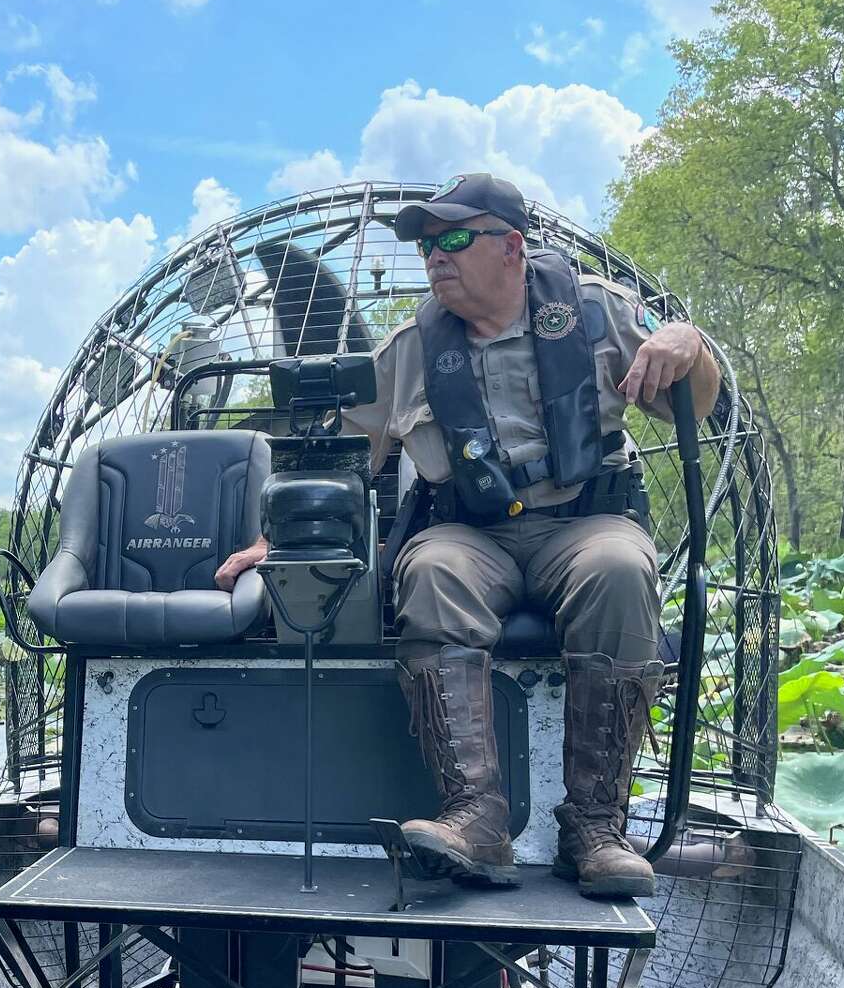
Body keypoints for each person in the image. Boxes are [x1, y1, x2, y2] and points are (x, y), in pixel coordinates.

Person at [217, 174, 718, 898]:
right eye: (426, 245)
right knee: (432, 572)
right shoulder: (410, 349)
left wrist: (689, 345)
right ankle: (476, 816)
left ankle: (596, 826)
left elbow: (692, 405)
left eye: (454, 238)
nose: (435, 256)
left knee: (619, 568)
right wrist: (278, 539)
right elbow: (341, 454)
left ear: (513, 247)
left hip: (585, 519)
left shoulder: (595, 310)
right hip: (466, 532)